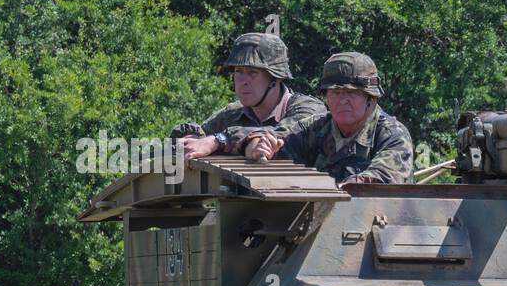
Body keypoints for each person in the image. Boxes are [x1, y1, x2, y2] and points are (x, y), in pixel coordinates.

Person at [264, 52, 413, 187]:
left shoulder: (392, 135)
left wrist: (347, 187)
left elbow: (384, 177)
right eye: (335, 93)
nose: (342, 100)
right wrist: (256, 145)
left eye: (351, 93)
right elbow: (275, 143)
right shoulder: (314, 128)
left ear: (371, 98)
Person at [173, 33, 323, 160]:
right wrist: (188, 140)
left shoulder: (308, 110)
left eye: (252, 73)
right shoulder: (232, 113)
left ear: (275, 79)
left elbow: (281, 136)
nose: (243, 81)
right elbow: (202, 136)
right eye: (238, 71)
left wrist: (220, 140)